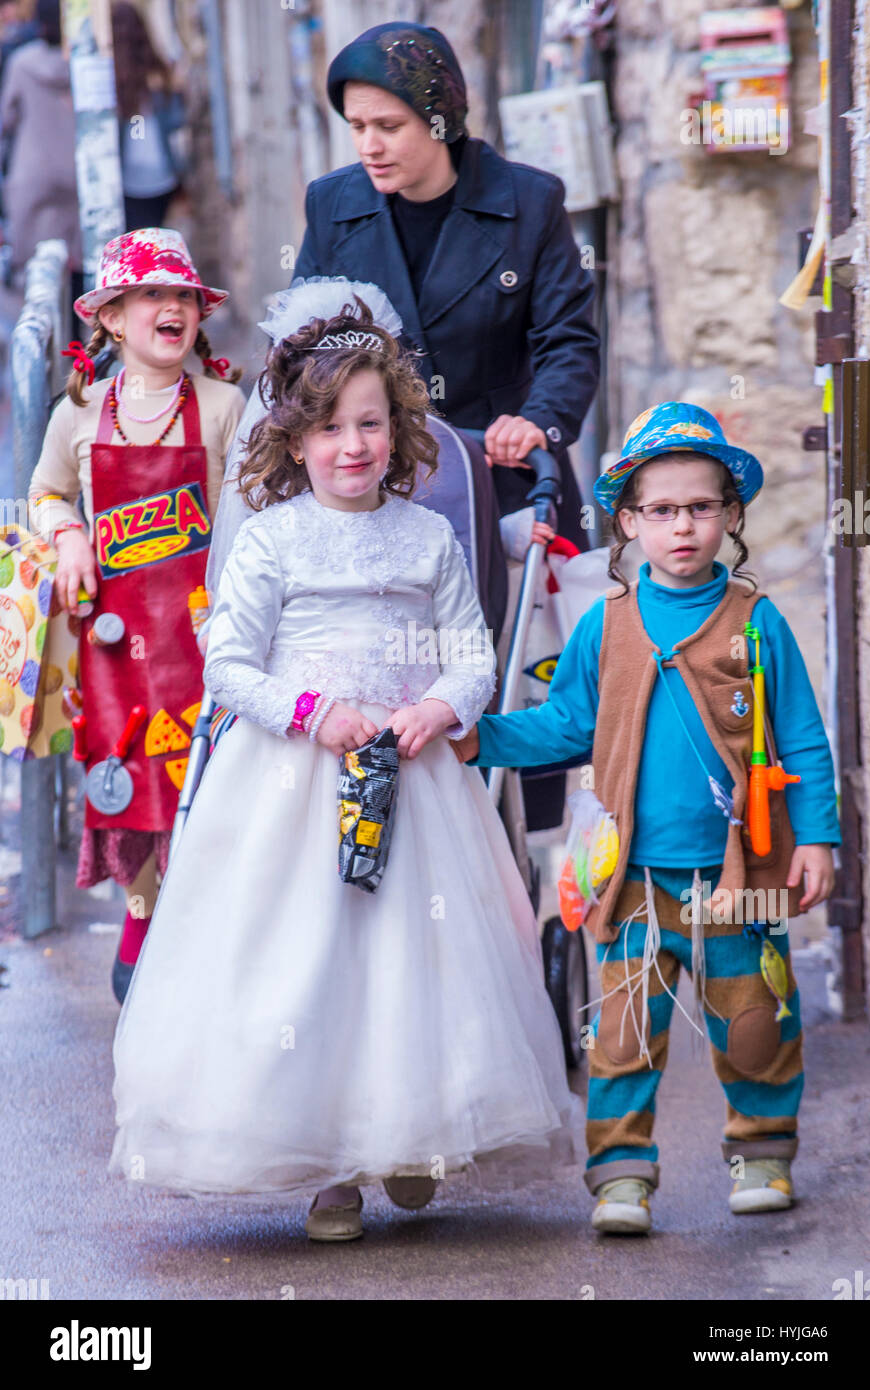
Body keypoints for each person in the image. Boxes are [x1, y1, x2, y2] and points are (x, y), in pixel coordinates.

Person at [106, 279, 580, 1242]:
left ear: (397, 427)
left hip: (413, 775)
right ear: (294, 440)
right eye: (329, 429)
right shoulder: (274, 543)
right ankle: (330, 1167)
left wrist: (444, 704)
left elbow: (471, 647)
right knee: (310, 959)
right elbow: (230, 665)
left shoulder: (428, 536)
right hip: (296, 777)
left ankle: (411, 1138)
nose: (352, 446)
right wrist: (313, 712)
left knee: (413, 959)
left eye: (369, 423)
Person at [456, 401, 841, 1235]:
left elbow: (804, 741)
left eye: (702, 507)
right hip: (629, 876)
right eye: (661, 511)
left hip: (745, 876)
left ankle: (764, 1152)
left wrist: (817, 837)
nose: (683, 527)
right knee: (622, 1039)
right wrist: (474, 735)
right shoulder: (606, 626)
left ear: (730, 515)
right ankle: (622, 1176)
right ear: (627, 523)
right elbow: (565, 726)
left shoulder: (758, 622)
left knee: (754, 1022)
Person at [27, 228, 245, 1004]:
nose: (172, 306)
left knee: (213, 778)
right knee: (126, 782)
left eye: (183, 294)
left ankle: (215, 925)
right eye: (152, 293)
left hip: (203, 638)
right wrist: (72, 533)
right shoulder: (77, 413)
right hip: (113, 646)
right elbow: (46, 491)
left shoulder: (224, 407)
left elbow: (252, 518)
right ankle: (142, 923)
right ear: (113, 318)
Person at [291, 21, 600, 548]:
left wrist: (536, 421)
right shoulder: (331, 204)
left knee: (521, 629)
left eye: (389, 126)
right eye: (357, 125)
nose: (369, 145)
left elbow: (568, 342)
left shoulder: (531, 202)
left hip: (506, 476)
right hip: (378, 485)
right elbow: (306, 345)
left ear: (439, 123)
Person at [0, 0, 80, 294]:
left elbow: (5, 119)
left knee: (38, 272)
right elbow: (133, 119)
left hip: (31, 170)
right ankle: (72, 336)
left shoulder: (21, 63)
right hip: (74, 170)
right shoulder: (82, 62)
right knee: (74, 263)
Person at [111, 1, 186, 231]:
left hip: (126, 178)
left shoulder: (110, 79)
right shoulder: (156, 71)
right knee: (154, 242)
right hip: (161, 173)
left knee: (133, 245)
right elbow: (176, 120)